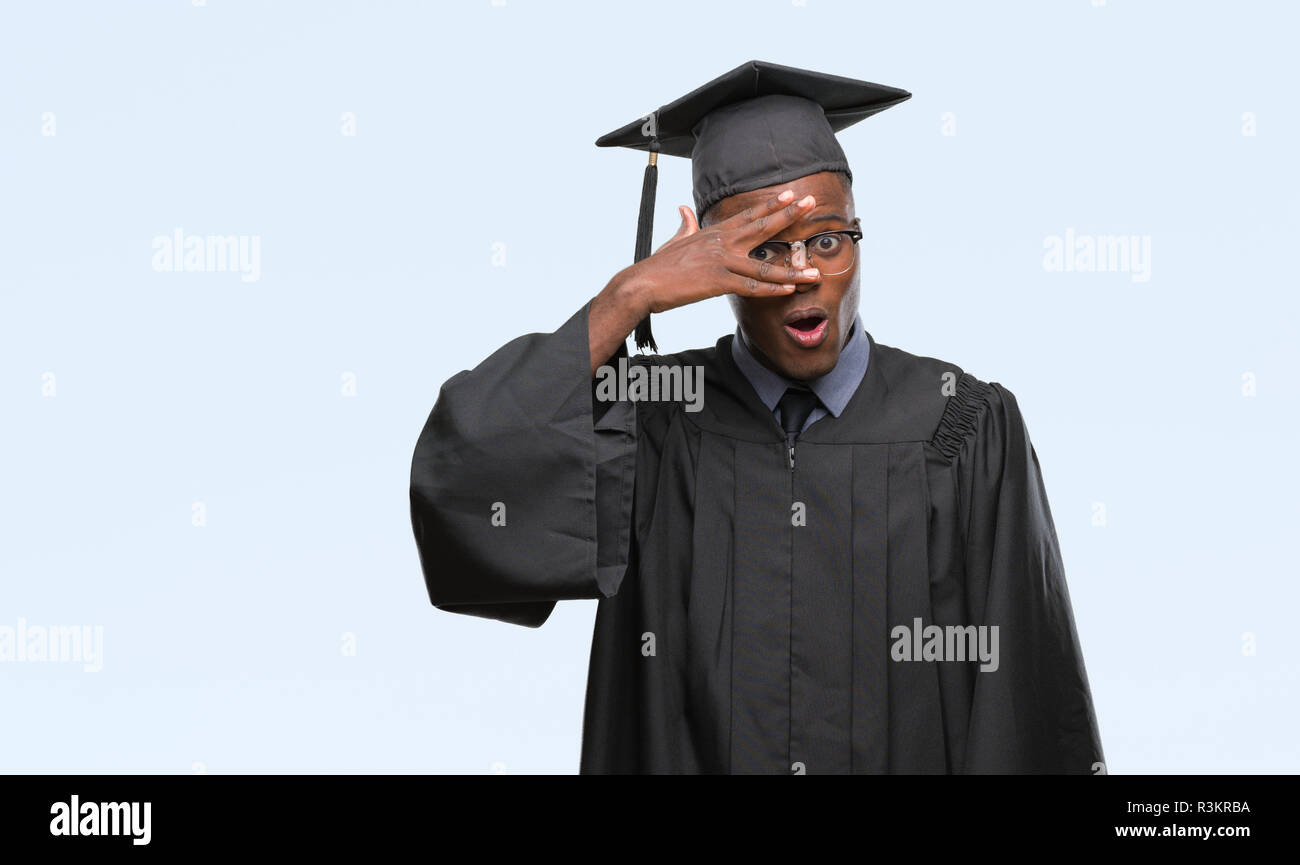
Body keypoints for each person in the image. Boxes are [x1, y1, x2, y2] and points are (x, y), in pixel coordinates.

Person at [409, 60, 1105, 774]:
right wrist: (629, 296)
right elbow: (464, 475)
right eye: (763, 250)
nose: (803, 272)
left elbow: (1028, 703)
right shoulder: (650, 424)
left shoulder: (962, 428)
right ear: (708, 265)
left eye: (829, 239)